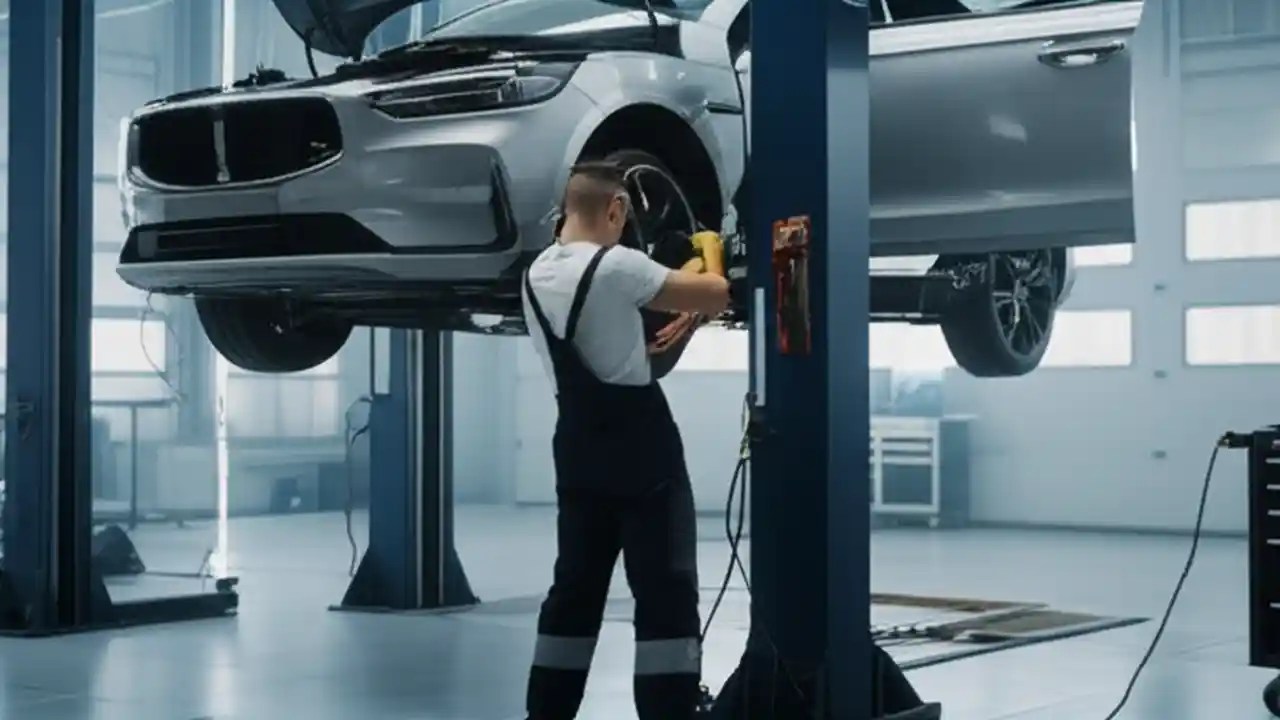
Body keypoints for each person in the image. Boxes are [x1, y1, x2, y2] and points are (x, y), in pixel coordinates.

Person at [522, 160, 730, 720]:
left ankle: (545, 712)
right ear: (615, 211)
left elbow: (621, 323)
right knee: (664, 592)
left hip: (577, 450)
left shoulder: (536, 273)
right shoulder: (617, 265)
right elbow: (715, 295)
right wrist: (710, 246)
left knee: (575, 591)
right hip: (643, 455)